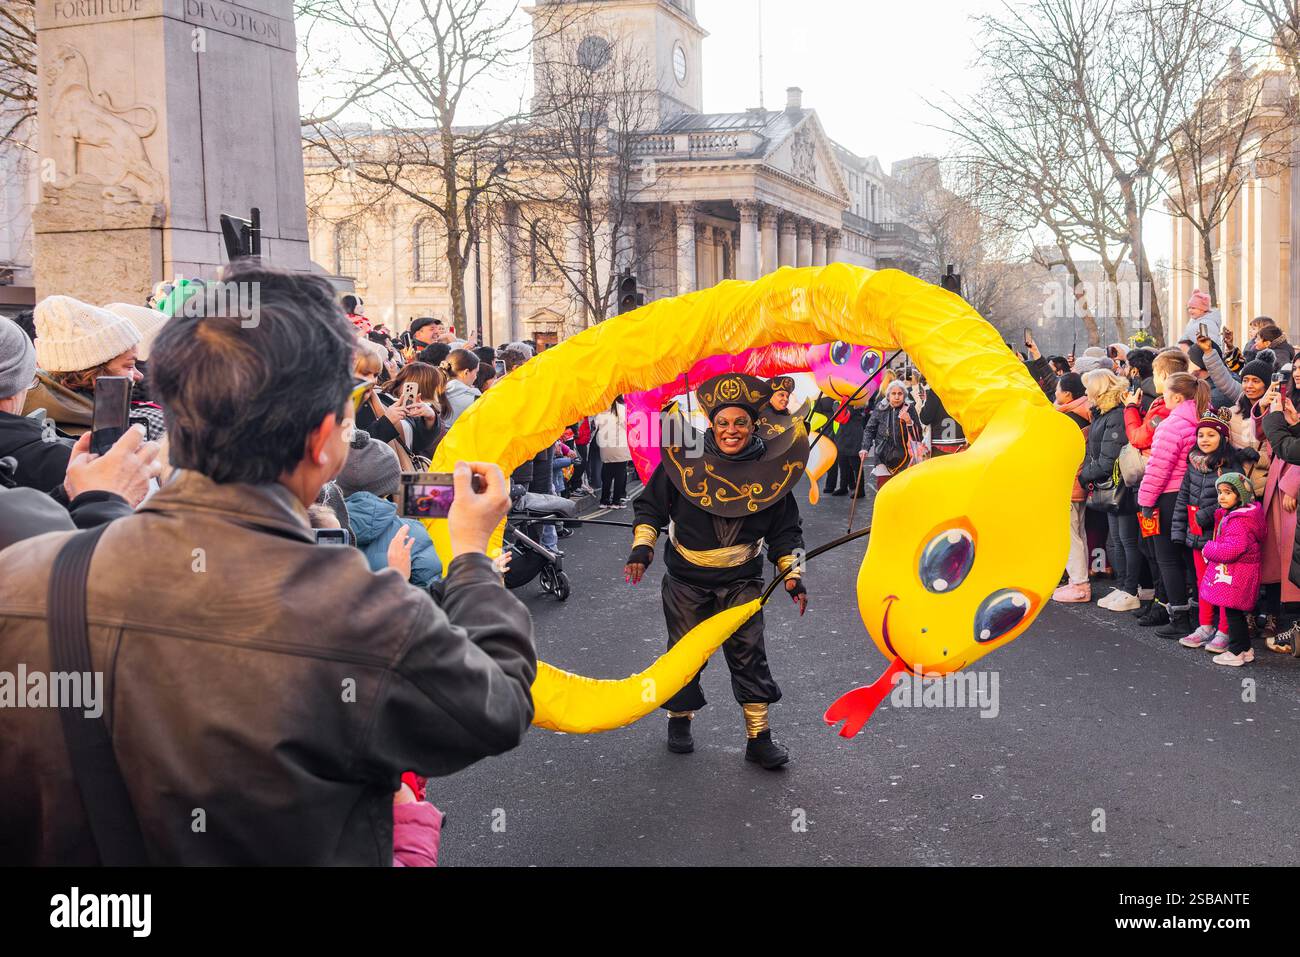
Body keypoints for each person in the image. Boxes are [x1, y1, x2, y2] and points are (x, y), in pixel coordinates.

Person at [0, 262, 536, 865]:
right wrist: (471, 555)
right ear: (322, 439)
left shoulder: (21, 579)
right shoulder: (360, 615)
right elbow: (498, 705)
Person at [625, 374, 808, 769]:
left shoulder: (773, 469)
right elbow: (651, 507)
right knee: (685, 653)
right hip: (686, 579)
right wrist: (642, 548)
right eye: (723, 422)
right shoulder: (683, 458)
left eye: (740, 423)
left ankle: (759, 737)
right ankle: (679, 720)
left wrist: (793, 574)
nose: (731, 431)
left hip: (742, 579)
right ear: (711, 424)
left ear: (754, 425)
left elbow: (788, 531)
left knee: (749, 654)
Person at [1172, 409, 1255, 648]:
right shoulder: (1193, 464)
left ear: (1223, 439)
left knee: (1223, 584)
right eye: (1201, 435)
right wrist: (1179, 530)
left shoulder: (1230, 466)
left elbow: (1238, 500)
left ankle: (1224, 631)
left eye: (1211, 435)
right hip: (1198, 536)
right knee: (1203, 582)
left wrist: (1206, 515)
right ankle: (1205, 625)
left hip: (1222, 538)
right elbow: (1183, 498)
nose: (1205, 440)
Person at [1138, 372, 1211, 639]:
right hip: (1195, 495)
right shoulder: (1204, 419)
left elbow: (1158, 469)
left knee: (1166, 558)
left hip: (1168, 497)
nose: (1162, 397)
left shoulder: (1171, 425)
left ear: (1178, 397)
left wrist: (1145, 501)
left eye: (1166, 393)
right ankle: (1198, 615)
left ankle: (1178, 617)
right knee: (1190, 558)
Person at [22, 296, 151, 439]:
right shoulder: (85, 437)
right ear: (92, 373)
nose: (139, 375)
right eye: (130, 366)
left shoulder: (34, 417)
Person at [1080, 370, 1139, 611]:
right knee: (1116, 540)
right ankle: (1124, 586)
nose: (1085, 393)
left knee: (1126, 540)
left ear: (1099, 389)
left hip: (1119, 485)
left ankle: (1130, 589)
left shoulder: (1114, 415)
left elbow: (1108, 457)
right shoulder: (1103, 414)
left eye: (1088, 388)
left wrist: (1085, 475)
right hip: (1110, 484)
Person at [1195, 472, 1265, 666]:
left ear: (1240, 496)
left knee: (1233, 613)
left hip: (1238, 573)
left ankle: (1235, 652)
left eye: (1228, 492)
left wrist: (1209, 548)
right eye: (1220, 492)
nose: (1221, 497)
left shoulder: (1239, 522)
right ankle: (1244, 649)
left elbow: (1232, 549)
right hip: (1241, 572)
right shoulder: (1243, 516)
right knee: (1236, 613)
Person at [1052, 372, 1093, 603]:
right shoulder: (1084, 414)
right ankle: (1079, 580)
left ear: (1067, 395)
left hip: (1069, 482)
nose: (1055, 394)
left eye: (1057, 390)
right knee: (1079, 533)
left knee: (1071, 535)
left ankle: (1079, 585)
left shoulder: (1070, 419)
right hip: (1079, 483)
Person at [858, 379, 919, 490]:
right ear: (888, 395)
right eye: (893, 393)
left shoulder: (910, 409)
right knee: (883, 489)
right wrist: (865, 448)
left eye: (900, 394)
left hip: (904, 458)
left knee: (902, 490)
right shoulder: (880, 408)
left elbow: (918, 435)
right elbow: (869, 429)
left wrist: (909, 422)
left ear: (904, 395)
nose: (896, 397)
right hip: (882, 456)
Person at [594, 396, 632, 506]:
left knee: (607, 473)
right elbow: (627, 425)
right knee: (620, 474)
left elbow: (597, 425)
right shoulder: (622, 408)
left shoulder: (602, 409)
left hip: (605, 446)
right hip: (620, 446)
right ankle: (616, 500)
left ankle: (604, 500)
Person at [439, 348, 481, 429]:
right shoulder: (474, 399)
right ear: (466, 372)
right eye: (476, 372)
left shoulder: (435, 391)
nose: (476, 377)